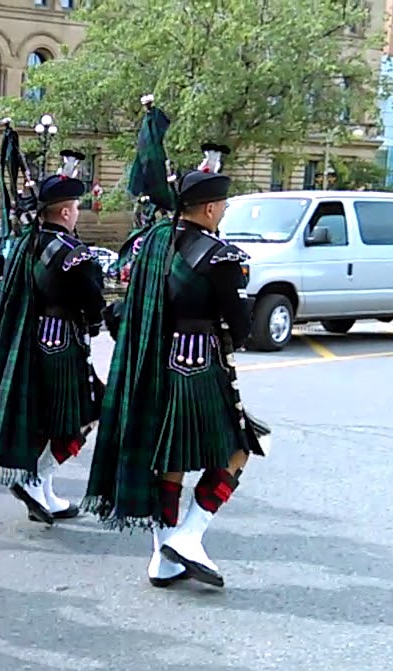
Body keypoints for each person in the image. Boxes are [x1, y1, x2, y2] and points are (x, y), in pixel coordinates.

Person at [84, 154, 269, 589]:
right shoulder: (221, 257)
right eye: (222, 205)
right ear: (208, 209)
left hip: (154, 363)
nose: (223, 212)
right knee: (241, 446)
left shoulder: (153, 243)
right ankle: (189, 535)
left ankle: (162, 558)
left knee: (170, 458)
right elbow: (239, 330)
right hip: (198, 362)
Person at [0, 149, 106, 525]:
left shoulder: (27, 244)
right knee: (82, 415)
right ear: (65, 212)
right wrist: (99, 321)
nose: (78, 212)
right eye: (75, 206)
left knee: (49, 419)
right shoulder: (71, 252)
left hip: (34, 338)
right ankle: (35, 478)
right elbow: (92, 300)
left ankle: (43, 486)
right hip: (63, 341)